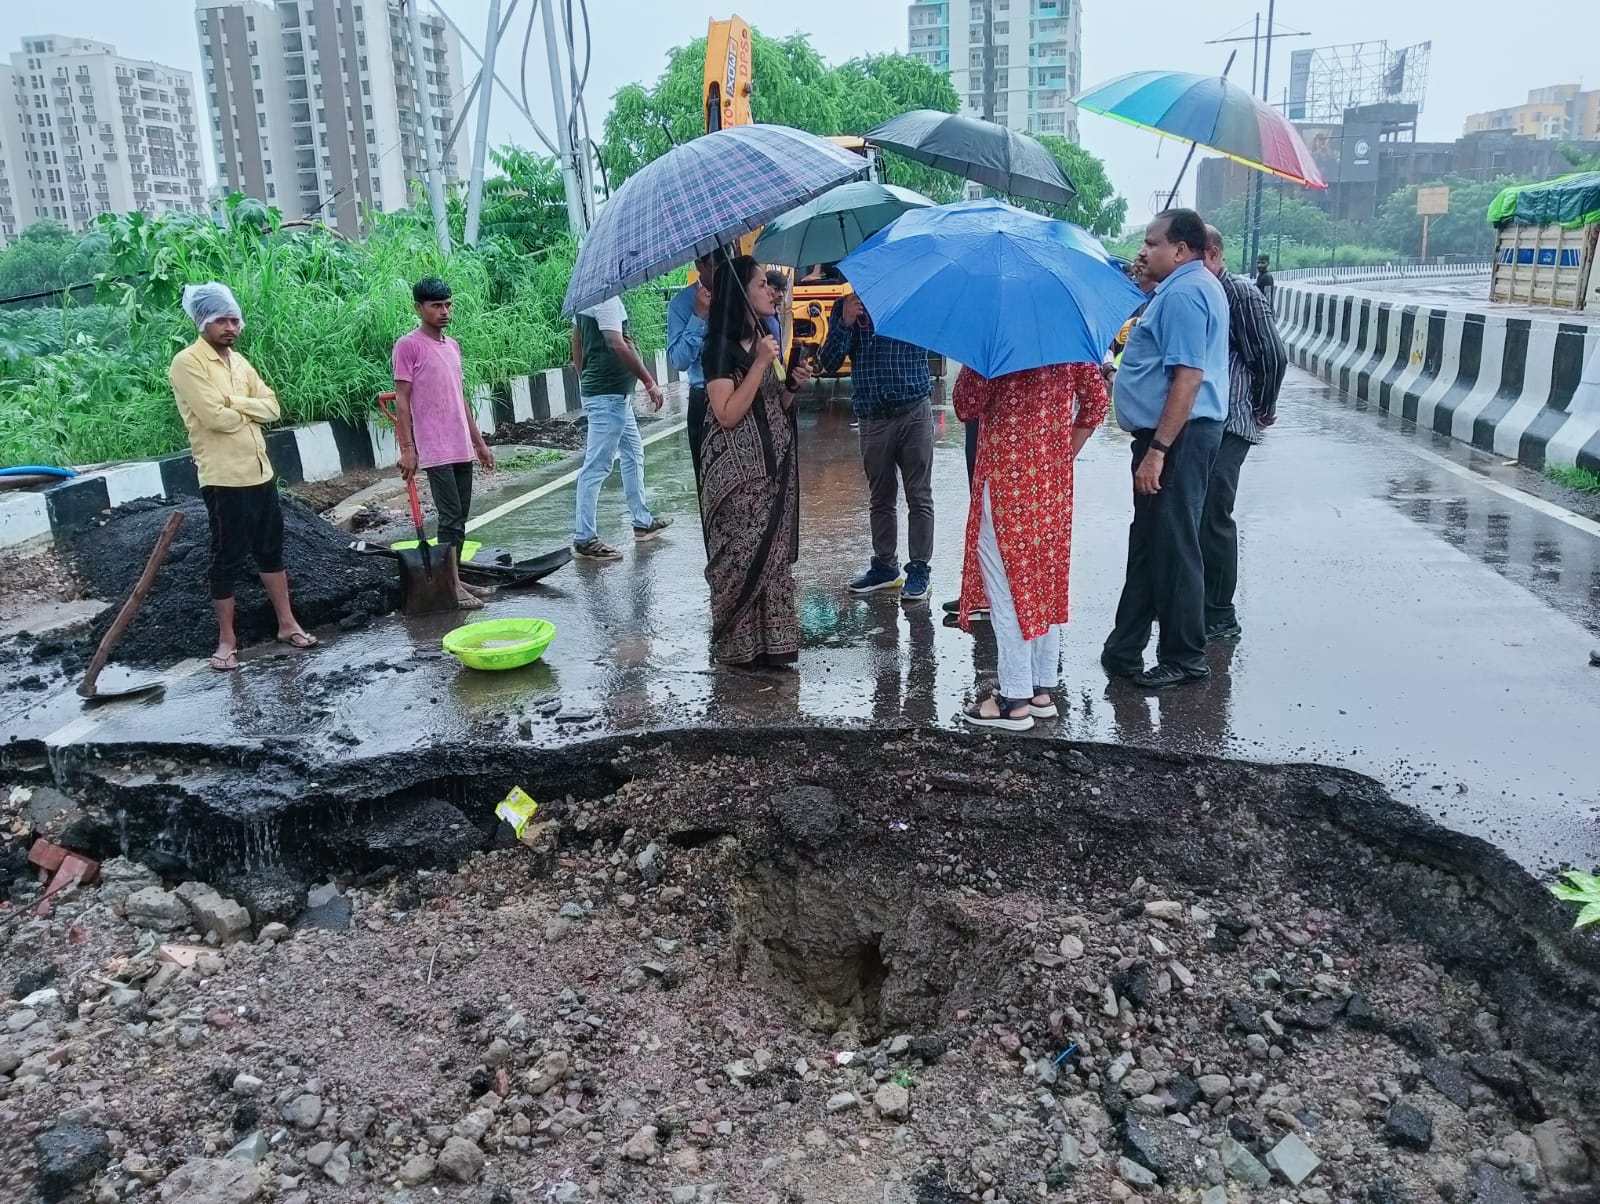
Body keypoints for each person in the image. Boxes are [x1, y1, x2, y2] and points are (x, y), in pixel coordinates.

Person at [1101, 209, 1229, 690]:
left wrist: (1158, 449)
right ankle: (1124, 648)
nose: (1143, 250)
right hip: (1172, 436)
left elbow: (1188, 377)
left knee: (1174, 546)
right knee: (1151, 543)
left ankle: (1185, 656)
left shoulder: (1187, 293)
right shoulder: (1175, 290)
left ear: (1180, 249)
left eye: (1151, 243)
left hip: (1178, 437)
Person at [168, 282, 317, 671]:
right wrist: (246, 409)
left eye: (235, 319)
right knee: (227, 557)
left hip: (260, 473)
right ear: (202, 321)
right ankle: (226, 641)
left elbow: (273, 408)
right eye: (221, 320)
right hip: (223, 478)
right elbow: (214, 418)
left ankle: (287, 624)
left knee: (271, 550)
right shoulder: (188, 363)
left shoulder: (240, 362)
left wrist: (236, 404)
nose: (230, 327)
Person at [954, 361, 1109, 730]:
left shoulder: (994, 345)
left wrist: (972, 363)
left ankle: (1014, 700)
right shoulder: (1072, 345)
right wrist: (1061, 454)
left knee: (1007, 588)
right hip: (1051, 482)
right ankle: (1039, 690)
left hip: (1007, 481)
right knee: (1044, 581)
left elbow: (964, 405)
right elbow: (1097, 404)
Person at [700, 255, 813, 668]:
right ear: (740, 293)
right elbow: (728, 413)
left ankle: (775, 645)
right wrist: (762, 363)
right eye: (762, 284)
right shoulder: (718, 347)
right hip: (736, 482)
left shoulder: (767, 337)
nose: (772, 291)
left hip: (774, 470)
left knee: (773, 557)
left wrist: (791, 387)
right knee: (739, 558)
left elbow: (774, 405)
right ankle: (738, 648)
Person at [818, 291, 935, 601]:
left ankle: (919, 569)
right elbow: (828, 363)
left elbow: (934, 339)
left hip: (914, 411)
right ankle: (885, 567)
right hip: (873, 417)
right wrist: (844, 322)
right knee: (880, 497)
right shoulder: (846, 306)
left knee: (919, 495)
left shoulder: (913, 298)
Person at [1201, 226, 1287, 642]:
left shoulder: (1239, 294)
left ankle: (1220, 612)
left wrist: (1263, 407)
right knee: (1197, 513)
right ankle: (1197, 602)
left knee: (1214, 512)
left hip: (1231, 419)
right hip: (1204, 422)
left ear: (1213, 255)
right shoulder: (1199, 292)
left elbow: (1271, 354)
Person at [392, 277, 497, 610]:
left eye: (448, 305)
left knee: (461, 517)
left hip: (459, 444)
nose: (444, 311)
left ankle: (456, 578)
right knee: (450, 517)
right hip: (434, 448)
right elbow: (402, 399)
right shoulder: (408, 346)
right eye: (436, 306)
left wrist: (478, 442)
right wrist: (408, 448)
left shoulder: (452, 346)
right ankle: (450, 587)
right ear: (419, 308)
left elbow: (459, 396)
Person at [572, 293, 672, 560]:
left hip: (614, 395)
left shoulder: (587, 300)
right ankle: (584, 537)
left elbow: (577, 346)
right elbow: (616, 343)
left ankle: (642, 520)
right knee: (596, 466)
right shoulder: (604, 300)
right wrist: (649, 381)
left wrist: (587, 381)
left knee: (633, 452)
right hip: (608, 396)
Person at [666, 253, 717, 490]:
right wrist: (698, 316)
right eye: (716, 266)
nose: (723, 271)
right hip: (703, 398)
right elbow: (679, 361)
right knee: (708, 482)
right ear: (700, 265)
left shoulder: (742, 295)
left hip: (741, 396)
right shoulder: (682, 304)